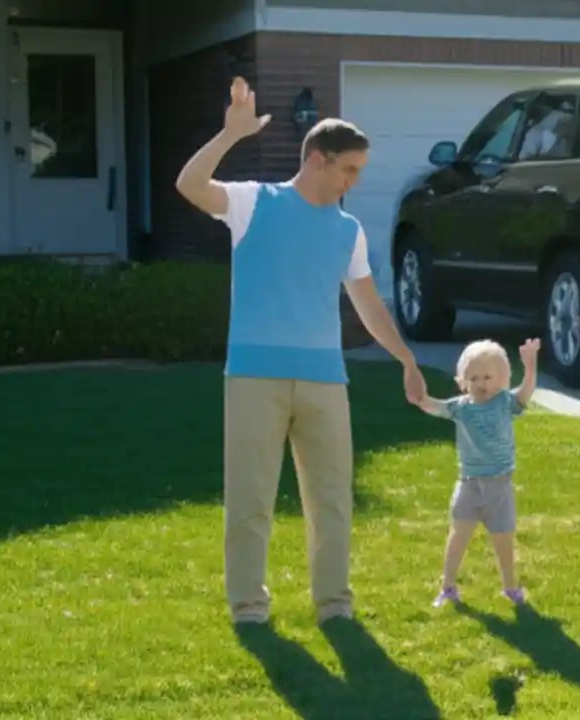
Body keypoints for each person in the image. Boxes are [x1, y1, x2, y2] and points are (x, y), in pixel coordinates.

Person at [174, 76, 428, 626]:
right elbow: (190, 184)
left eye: (358, 171)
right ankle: (248, 608)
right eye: (348, 169)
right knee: (250, 502)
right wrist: (228, 135)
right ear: (317, 158)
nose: (353, 182)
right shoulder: (252, 202)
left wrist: (405, 358)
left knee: (332, 503)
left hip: (324, 382)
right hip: (254, 377)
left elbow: (367, 304)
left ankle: (335, 606)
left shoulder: (348, 230)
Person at [412, 338, 540, 607]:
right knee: (458, 535)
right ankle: (448, 587)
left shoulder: (505, 402)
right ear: (462, 381)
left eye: (488, 376)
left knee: (503, 538)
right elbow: (435, 406)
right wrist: (420, 399)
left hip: (499, 485)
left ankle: (510, 588)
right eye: (474, 377)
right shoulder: (461, 406)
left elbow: (525, 394)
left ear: (503, 378)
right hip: (468, 483)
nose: (481, 383)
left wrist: (530, 366)